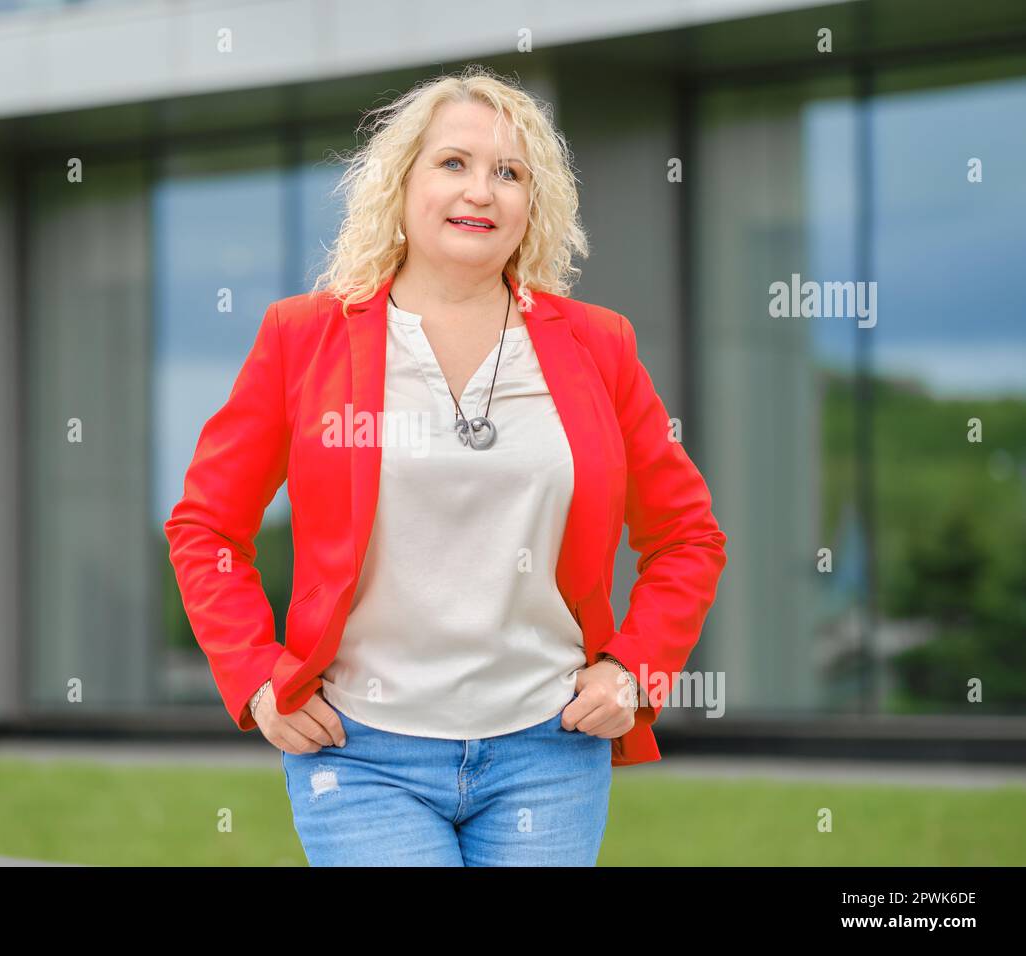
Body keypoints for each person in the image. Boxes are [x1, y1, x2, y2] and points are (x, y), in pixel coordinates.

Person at [164, 64, 727, 866]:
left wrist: (634, 673)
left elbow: (686, 536)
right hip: (358, 752)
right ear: (402, 184)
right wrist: (257, 677)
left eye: (509, 172)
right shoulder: (303, 338)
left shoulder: (599, 347)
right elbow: (206, 525)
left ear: (534, 204)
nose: (482, 191)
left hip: (549, 752)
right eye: (454, 163)